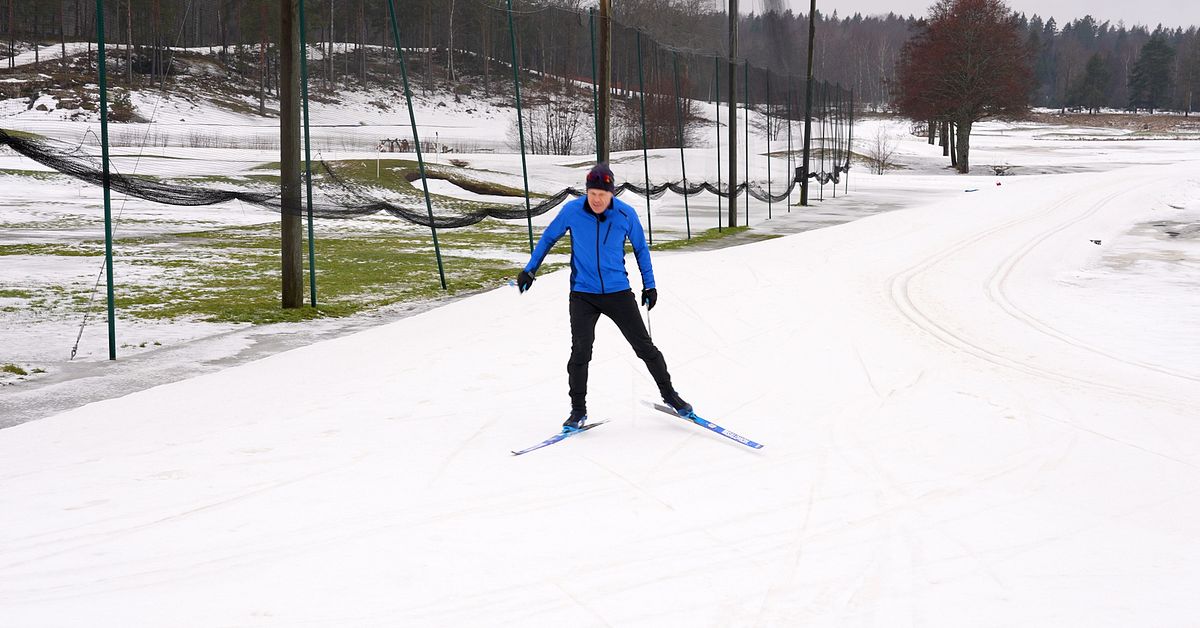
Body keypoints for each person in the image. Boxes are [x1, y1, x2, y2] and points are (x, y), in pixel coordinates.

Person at [516, 163, 692, 432]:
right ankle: (577, 411)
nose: (597, 199)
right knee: (580, 351)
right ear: (586, 191)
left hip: (617, 292)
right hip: (583, 294)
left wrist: (650, 286)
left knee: (644, 347)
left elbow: (642, 250)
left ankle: (670, 396)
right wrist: (530, 270)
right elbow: (549, 238)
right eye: (592, 193)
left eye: (602, 194)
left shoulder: (625, 214)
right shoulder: (572, 211)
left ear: (612, 193)